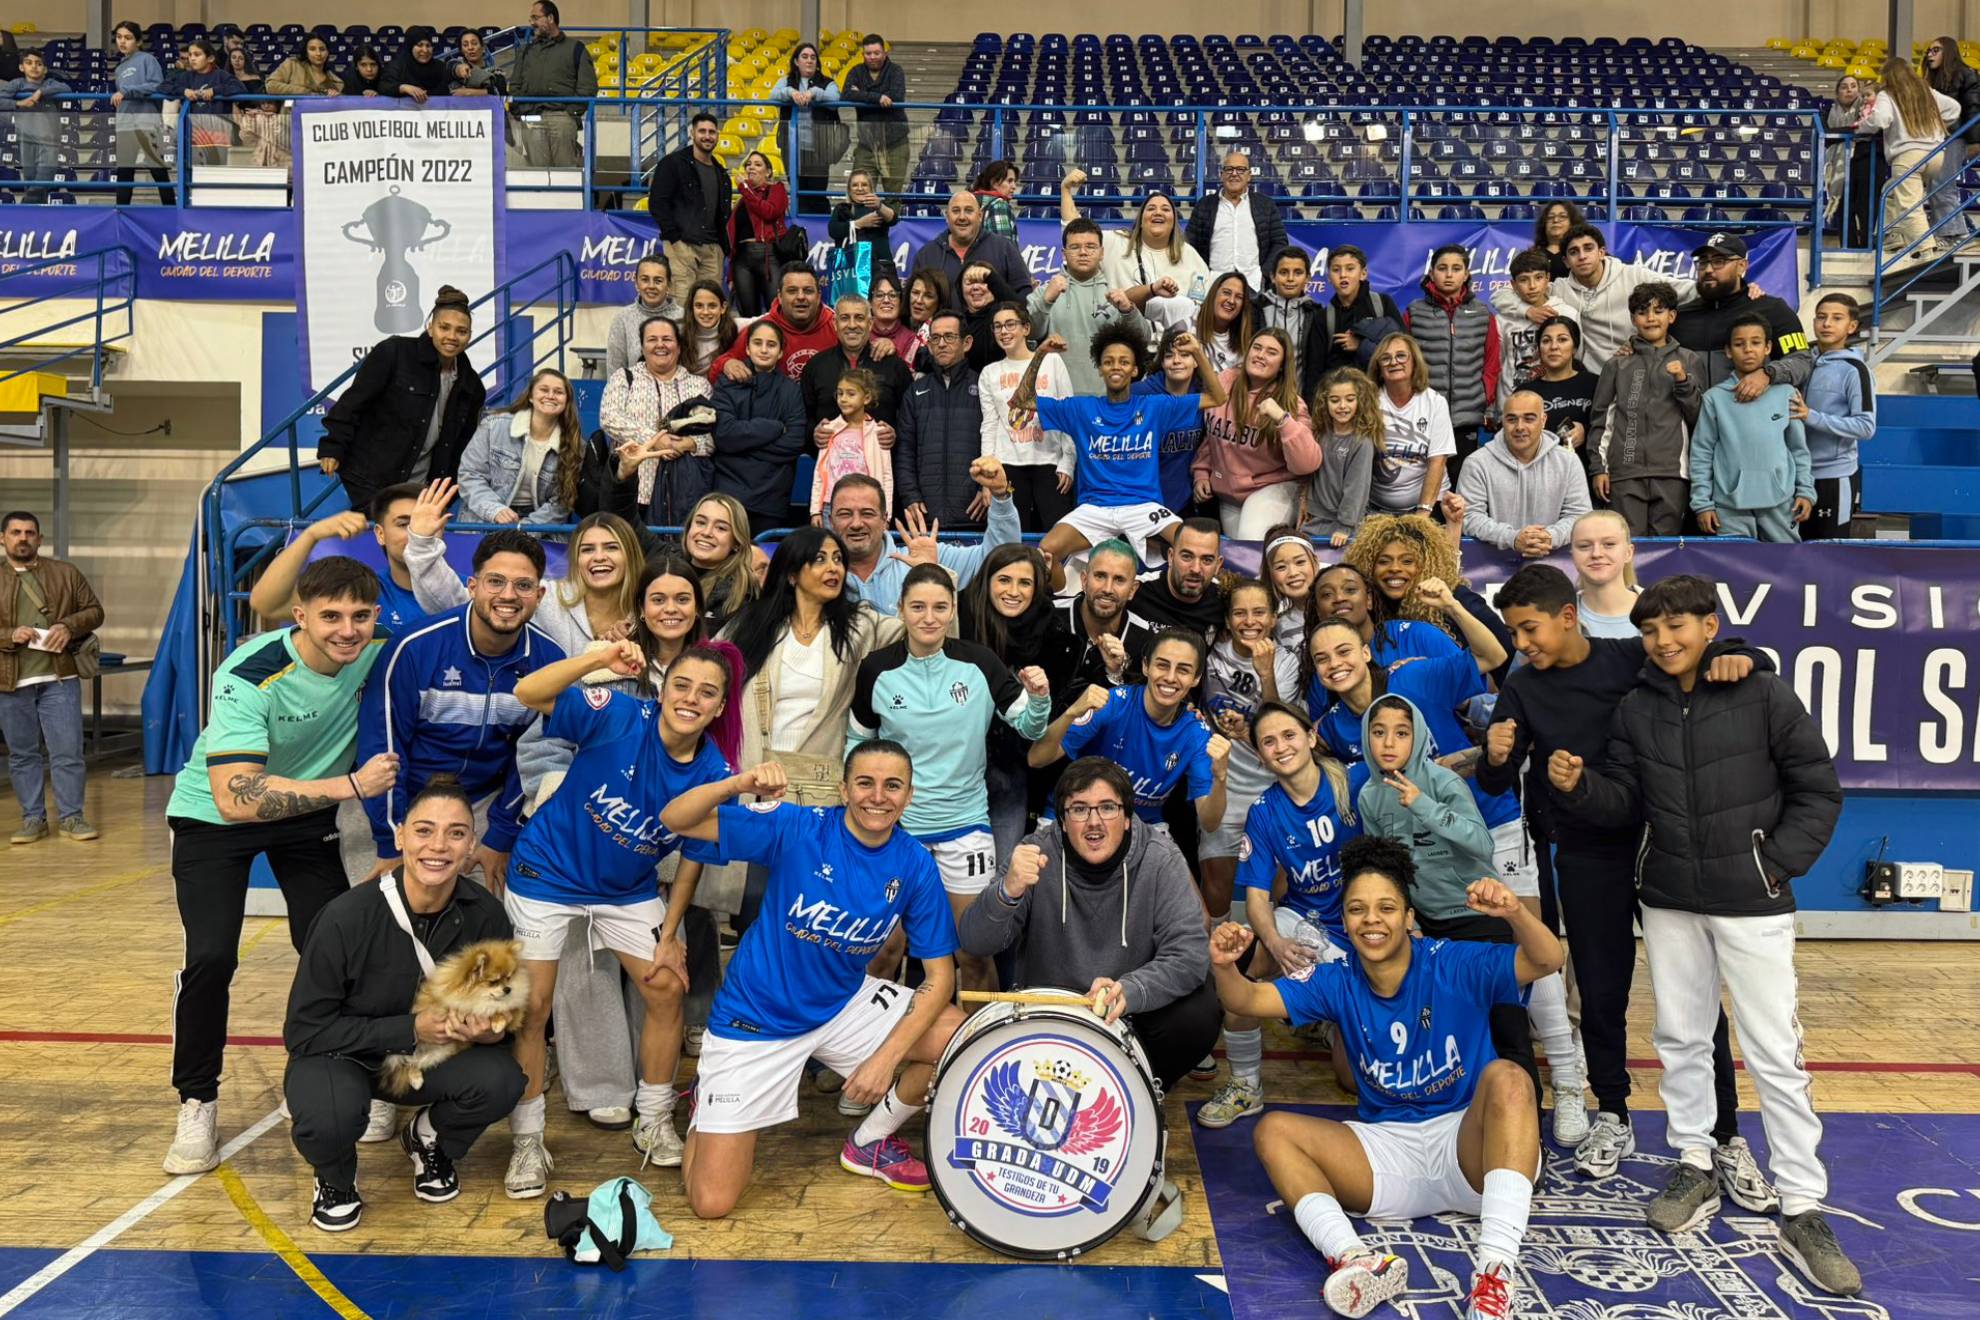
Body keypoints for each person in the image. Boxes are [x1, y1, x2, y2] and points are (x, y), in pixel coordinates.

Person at [1548, 575, 1859, 1297]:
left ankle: (1804, 1204)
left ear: (1711, 626)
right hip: (1669, 899)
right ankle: (1694, 1161)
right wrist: (1579, 785)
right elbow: (1624, 799)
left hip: (1752, 901)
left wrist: (1773, 864)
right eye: (1651, 631)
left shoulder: (1761, 692)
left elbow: (1819, 787)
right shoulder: (1636, 708)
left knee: (1775, 1052)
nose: (1664, 642)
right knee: (1681, 1039)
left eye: (1677, 627)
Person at [1486, 563, 1765, 1180]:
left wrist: (1744, 657)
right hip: (1585, 851)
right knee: (1603, 992)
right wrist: (1496, 754)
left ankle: (1725, 1129)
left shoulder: (1623, 658)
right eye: (1513, 633)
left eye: (1529, 629)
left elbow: (1702, 656)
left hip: (1659, 845)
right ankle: (1612, 1110)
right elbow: (1496, 780)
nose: (1522, 644)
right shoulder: (1523, 686)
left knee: (1692, 993)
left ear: (1567, 616)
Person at [1209, 839, 1563, 1319]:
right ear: (1346, 921)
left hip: (1469, 1146)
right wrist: (1224, 965)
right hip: (1387, 1151)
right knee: (1273, 1131)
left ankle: (1493, 1277)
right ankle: (1357, 1259)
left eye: (1386, 908)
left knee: (1510, 1077)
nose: (1371, 920)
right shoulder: (1337, 977)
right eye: (1357, 909)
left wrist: (1516, 914)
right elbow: (1246, 1002)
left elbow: (1547, 960)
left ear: (1409, 917)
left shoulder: (1452, 961)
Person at [161, 558, 400, 1175]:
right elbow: (235, 796)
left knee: (333, 945)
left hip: (302, 816)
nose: (346, 630)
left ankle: (350, 1076)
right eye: (329, 617)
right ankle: (197, 1099)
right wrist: (348, 784)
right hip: (214, 819)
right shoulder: (250, 671)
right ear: (300, 616)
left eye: (358, 616)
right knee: (212, 955)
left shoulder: (381, 650)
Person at [661, 742, 967, 1214]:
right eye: (865, 783)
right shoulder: (798, 827)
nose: (878, 797)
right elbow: (674, 819)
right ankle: (710, 1104)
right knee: (711, 1203)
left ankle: (869, 1142)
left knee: (957, 1036)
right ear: (844, 789)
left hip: (842, 1003)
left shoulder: (914, 863)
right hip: (756, 1019)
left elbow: (940, 976)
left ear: (909, 796)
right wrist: (738, 785)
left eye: (893, 786)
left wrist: (888, 1058)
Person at [495, 642, 739, 1193]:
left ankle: (652, 1119)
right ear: (663, 688)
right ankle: (529, 1139)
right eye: (682, 685)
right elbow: (528, 692)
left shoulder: (714, 771)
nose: (691, 699)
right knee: (532, 1007)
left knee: (666, 989)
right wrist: (595, 660)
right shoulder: (620, 711)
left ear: (720, 708)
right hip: (546, 875)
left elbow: (693, 862)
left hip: (627, 890)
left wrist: (671, 933)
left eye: (707, 693)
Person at [283, 778, 525, 1232]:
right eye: (424, 830)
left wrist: (490, 1028)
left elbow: (501, 1007)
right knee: (327, 1117)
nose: (438, 846)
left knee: (501, 1078)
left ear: (471, 844)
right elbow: (304, 1032)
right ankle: (334, 1179)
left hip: (425, 1063)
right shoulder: (345, 917)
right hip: (344, 1056)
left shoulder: (486, 914)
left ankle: (429, 1139)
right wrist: (411, 1028)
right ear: (399, 837)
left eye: (455, 833)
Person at [958, 756, 1220, 1089]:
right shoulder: (1033, 852)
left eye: (1107, 807)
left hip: (1127, 1010)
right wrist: (1007, 890)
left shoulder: (1160, 856)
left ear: (1127, 817)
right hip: (1051, 1012)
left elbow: (1189, 954)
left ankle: (1141, 1090)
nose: (1094, 822)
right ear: (1063, 821)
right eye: (1079, 809)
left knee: (1198, 1012)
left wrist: (1133, 989)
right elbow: (974, 942)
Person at [849, 563, 1051, 990]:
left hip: (966, 827)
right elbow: (858, 747)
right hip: (895, 830)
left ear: (952, 609)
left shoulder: (979, 663)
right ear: (900, 609)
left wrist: (1039, 698)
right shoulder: (876, 670)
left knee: (973, 953)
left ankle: (986, 1051)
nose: (929, 617)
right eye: (918, 606)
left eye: (940, 607)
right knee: (885, 950)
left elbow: (1030, 728)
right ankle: (865, 1048)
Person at [356, 529, 561, 883]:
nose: (508, 595)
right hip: (403, 799)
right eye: (495, 582)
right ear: (472, 586)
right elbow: (384, 750)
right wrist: (392, 840)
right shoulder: (415, 648)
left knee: (480, 918)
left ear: (540, 595)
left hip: (483, 803)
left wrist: (500, 835)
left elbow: (535, 759)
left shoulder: (549, 661)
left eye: (524, 586)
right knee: (380, 915)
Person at [1199, 703, 1365, 1126]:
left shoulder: (1353, 780)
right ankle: (1246, 1084)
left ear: (1310, 737)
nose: (1281, 747)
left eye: (1289, 735)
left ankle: (1327, 1022)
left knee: (1352, 1080)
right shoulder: (1263, 811)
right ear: (1259, 756)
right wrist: (1274, 943)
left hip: (1366, 931)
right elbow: (1257, 899)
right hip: (1307, 923)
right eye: (1268, 741)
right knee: (1245, 960)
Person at [1014, 325, 1225, 578]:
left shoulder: (1154, 407)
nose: (1116, 366)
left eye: (1124, 362)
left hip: (1143, 505)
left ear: (1135, 370)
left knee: (1191, 548)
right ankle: (1065, 603)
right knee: (1045, 554)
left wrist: (1198, 353)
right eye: (1109, 362)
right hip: (1095, 508)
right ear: (1100, 368)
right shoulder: (1082, 409)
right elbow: (1022, 401)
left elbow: (1217, 397)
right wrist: (1040, 355)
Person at [1029, 628, 1231, 835]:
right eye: (1162, 665)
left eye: (1183, 670)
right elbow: (1036, 759)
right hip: (1075, 816)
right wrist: (1071, 713)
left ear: (1196, 678)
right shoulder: (1113, 704)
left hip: (1143, 830)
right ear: (1145, 666)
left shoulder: (1196, 732)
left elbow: (1209, 822)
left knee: (1176, 867)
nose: (1170, 677)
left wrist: (1220, 777)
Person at [959, 543, 1082, 868]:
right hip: (953, 771)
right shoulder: (958, 619)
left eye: (1024, 583)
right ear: (987, 581)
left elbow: (1041, 723)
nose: (1013, 591)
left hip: (1012, 773)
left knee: (1003, 873)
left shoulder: (1052, 634)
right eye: (1004, 580)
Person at [319, 288, 486, 515]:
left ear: (469, 335)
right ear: (430, 327)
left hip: (424, 489)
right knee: (378, 541)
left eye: (461, 331)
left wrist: (446, 492)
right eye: (444, 327)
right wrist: (333, 447)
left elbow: (462, 445)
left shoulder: (472, 385)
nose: (452, 337)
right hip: (371, 479)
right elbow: (353, 403)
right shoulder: (394, 352)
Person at [1196, 579, 1301, 937]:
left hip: (1272, 782)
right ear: (1227, 620)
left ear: (1273, 618)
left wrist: (1266, 672)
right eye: (1240, 613)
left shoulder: (1286, 662)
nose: (1249, 620)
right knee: (1216, 876)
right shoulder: (1211, 655)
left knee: (1281, 879)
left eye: (1259, 612)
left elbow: (1279, 720)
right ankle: (1219, 945)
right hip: (1224, 782)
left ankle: (1269, 947)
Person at [0, 511, 100, 843]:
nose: (23, 538)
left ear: (39, 539)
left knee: (68, 751)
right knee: (22, 754)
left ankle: (72, 818)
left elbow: (95, 611)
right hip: (10, 682)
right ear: (3, 539)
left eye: (30, 532)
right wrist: (9, 634)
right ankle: (33, 820)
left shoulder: (65, 573)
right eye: (15, 532)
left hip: (60, 678)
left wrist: (66, 626)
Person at [1587, 282, 1704, 537]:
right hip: (1624, 473)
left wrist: (1683, 382)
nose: (1650, 318)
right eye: (1642, 311)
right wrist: (1599, 468)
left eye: (1659, 311)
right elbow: (1601, 420)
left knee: (1666, 552)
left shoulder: (1689, 360)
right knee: (1628, 547)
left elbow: (1699, 418)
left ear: (1672, 316)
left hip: (1672, 473)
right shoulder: (1617, 364)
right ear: (1632, 318)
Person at [824, 461, 1019, 614]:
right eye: (845, 514)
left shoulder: (924, 557)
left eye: (867, 513)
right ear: (831, 521)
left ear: (885, 520)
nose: (856, 523)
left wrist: (1000, 496)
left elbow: (1000, 560)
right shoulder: (815, 573)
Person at [1689, 316, 1814, 543]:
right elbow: (1701, 453)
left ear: (1767, 347)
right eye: (1739, 344)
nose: (1748, 350)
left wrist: (1805, 491)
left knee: (1786, 569)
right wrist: (1702, 503)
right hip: (1729, 507)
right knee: (1731, 571)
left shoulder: (1787, 393)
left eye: (1756, 343)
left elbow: (1799, 449)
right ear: (1728, 351)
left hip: (1782, 502)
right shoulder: (1714, 399)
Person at [1499, 224, 1696, 367]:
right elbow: (1501, 295)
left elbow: (1685, 290)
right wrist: (1527, 311)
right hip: (1589, 379)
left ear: (1602, 252)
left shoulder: (1634, 276)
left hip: (1633, 368)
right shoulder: (1559, 289)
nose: (1582, 256)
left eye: (1588, 248)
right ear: (1566, 262)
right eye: (1574, 252)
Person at [1340, 514, 1511, 673]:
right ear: (1368, 566)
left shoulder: (1455, 598)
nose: (1395, 568)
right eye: (1383, 561)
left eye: (1407, 561)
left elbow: (1504, 654)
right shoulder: (1367, 609)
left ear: (1426, 565)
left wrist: (1451, 607)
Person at [1194, 328, 1321, 538]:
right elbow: (1213, 435)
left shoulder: (1291, 403)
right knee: (1240, 561)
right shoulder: (1225, 382)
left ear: (1282, 366)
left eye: (1271, 352)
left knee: (1250, 541)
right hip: (1230, 494)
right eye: (1257, 348)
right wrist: (1201, 472)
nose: (1261, 355)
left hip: (1273, 487)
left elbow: (1308, 464)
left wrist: (1282, 420)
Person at [601, 314, 715, 524]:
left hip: (684, 495)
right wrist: (656, 439)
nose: (660, 345)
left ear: (679, 347)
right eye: (652, 340)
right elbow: (609, 418)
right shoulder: (625, 378)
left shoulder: (700, 385)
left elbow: (712, 438)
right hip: (635, 491)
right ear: (642, 347)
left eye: (667, 339)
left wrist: (689, 444)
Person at [1060, 176, 1208, 331]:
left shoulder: (1189, 255)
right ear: (1140, 221)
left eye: (1165, 209)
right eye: (1151, 209)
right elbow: (1074, 230)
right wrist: (1066, 189)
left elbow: (1203, 306)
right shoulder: (1115, 242)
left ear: (1174, 222)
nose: (1158, 213)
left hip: (1172, 347)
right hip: (1121, 338)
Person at [1456, 390, 1592, 556]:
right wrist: (1512, 538)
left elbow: (1580, 515)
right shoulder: (1477, 463)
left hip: (1554, 561)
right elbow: (1470, 517)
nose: (1520, 427)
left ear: (1543, 421)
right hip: (1493, 564)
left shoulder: (1569, 462)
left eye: (1529, 419)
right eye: (1512, 419)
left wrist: (1549, 537)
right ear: (1502, 421)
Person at [1404, 245, 1499, 480]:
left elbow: (1492, 363)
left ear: (1466, 274)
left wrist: (1483, 398)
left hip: (1466, 419)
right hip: (1424, 417)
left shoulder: (1482, 314)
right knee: (1423, 484)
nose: (1449, 274)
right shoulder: (1413, 313)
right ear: (1432, 273)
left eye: (1456, 269)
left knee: (1461, 489)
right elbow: (1406, 362)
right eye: (1442, 268)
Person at [978, 302, 1075, 532]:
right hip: (1008, 466)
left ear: (1026, 328)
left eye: (1010, 324)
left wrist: (1068, 462)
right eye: (998, 326)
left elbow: (1067, 413)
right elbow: (989, 425)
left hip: (1050, 463)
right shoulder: (990, 373)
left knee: (1056, 538)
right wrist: (987, 474)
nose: (1004, 331)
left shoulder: (1051, 361)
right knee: (1013, 540)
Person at [1028, 218, 1154, 396]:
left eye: (1090, 246)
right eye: (1075, 247)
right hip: (1054, 400)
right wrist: (1046, 301)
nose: (1083, 252)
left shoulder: (1116, 296)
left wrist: (1128, 311)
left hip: (1104, 400)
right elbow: (1029, 333)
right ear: (1064, 254)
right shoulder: (1046, 291)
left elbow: (1143, 340)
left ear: (1101, 253)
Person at [1670, 234, 1809, 387]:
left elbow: (1802, 361)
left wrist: (1769, 374)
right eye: (1703, 262)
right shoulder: (1680, 316)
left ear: (1742, 266)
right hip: (1691, 410)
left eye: (1718, 262)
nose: (1708, 269)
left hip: (1751, 408)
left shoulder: (1773, 310)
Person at [712, 320, 809, 533]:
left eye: (771, 344)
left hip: (770, 498)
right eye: (757, 343)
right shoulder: (726, 383)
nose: (764, 350)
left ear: (781, 352)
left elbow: (794, 442)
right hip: (727, 493)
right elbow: (724, 435)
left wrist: (742, 445)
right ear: (747, 348)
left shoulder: (791, 390)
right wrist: (774, 428)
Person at [1858, 57, 1961, 253]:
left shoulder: (1887, 94)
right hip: (1936, 155)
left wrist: (1862, 128)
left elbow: (1880, 119)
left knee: (1909, 205)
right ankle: (1893, 234)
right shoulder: (1925, 91)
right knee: (1890, 191)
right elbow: (1954, 109)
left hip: (1908, 156)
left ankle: (1926, 249)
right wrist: (1938, 125)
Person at [894, 311, 987, 527]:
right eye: (935, 338)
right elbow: (905, 450)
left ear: (967, 343)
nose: (942, 344)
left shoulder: (984, 386)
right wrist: (910, 496)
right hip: (925, 519)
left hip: (974, 515)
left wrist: (987, 488)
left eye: (949, 337)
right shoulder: (915, 391)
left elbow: (997, 444)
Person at [457, 369, 582, 527]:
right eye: (544, 390)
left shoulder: (574, 445)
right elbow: (470, 475)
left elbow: (562, 502)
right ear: (530, 396)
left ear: (566, 401)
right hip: (485, 517)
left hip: (537, 523)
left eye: (558, 392)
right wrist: (495, 510)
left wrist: (527, 527)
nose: (550, 395)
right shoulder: (493, 426)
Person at [1799, 293, 1877, 540]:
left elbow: (1866, 426)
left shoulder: (1855, 370)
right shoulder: (1802, 363)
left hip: (1834, 477)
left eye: (1836, 318)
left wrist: (1811, 416)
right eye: (1821, 317)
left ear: (1852, 326)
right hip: (1797, 478)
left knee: (1828, 554)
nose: (1827, 324)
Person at [644, 109, 733, 292]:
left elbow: (722, 215)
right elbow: (657, 204)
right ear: (692, 134)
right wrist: (676, 242)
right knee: (682, 306)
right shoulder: (672, 163)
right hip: (682, 247)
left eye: (711, 132)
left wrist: (721, 249)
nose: (707, 136)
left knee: (709, 308)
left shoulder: (721, 173)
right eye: (702, 131)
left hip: (712, 251)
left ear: (717, 135)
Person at [1367, 333, 1455, 517]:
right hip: (1376, 509)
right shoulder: (1368, 402)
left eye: (1401, 355)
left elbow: (1437, 462)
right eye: (1385, 358)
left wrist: (1422, 513)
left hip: (1429, 507)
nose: (1393, 362)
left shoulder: (1435, 402)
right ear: (1378, 367)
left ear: (1414, 361)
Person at [1134, 324, 1215, 516]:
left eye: (1185, 355)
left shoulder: (1204, 394)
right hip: (1142, 496)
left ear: (1197, 361)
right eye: (1169, 356)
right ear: (1162, 362)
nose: (1176, 361)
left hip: (1184, 497)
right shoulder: (1140, 393)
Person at [1053, 539, 1155, 690]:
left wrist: (1115, 674)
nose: (1107, 588)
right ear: (1084, 580)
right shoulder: (1049, 615)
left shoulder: (1144, 638)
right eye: (1100, 576)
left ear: (1132, 590)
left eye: (1119, 580)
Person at [712, 263, 840, 383]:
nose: (801, 297)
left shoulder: (837, 325)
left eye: (808, 291)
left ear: (818, 296)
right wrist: (727, 364)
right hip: (776, 405)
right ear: (779, 296)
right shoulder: (763, 328)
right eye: (792, 291)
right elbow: (715, 370)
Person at [799, 295, 912, 431]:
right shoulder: (815, 366)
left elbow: (910, 418)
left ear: (870, 324)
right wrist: (814, 435)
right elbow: (804, 418)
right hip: (829, 450)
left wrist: (895, 436)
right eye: (845, 318)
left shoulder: (894, 366)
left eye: (859, 318)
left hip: (880, 451)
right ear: (835, 323)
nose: (852, 325)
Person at [907, 190, 1035, 305]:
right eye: (956, 211)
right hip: (942, 330)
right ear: (947, 216)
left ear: (980, 216)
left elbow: (1024, 297)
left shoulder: (1004, 248)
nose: (962, 217)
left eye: (969, 210)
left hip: (994, 330)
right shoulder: (926, 255)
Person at [1185, 150, 1287, 291]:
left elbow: (1280, 243)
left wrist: (1263, 274)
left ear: (1249, 176)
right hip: (1213, 284)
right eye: (1229, 169)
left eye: (1240, 169)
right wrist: (1203, 274)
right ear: (1222, 175)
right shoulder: (1204, 205)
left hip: (1254, 285)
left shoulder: (1266, 205)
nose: (1234, 173)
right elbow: (1190, 245)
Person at [510, 1, 595, 167]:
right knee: (538, 177)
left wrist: (570, 113)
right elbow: (515, 85)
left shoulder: (576, 48)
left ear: (550, 18)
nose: (531, 23)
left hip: (562, 118)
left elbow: (588, 87)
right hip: (531, 118)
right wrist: (521, 110)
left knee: (566, 175)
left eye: (535, 17)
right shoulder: (525, 51)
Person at [1517, 317, 1599, 488]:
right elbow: (1512, 438)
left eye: (1562, 339)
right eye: (1546, 341)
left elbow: (1614, 428)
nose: (1554, 346)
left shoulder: (1596, 384)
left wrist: (1586, 431)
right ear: (1539, 348)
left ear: (1575, 347)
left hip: (1588, 479)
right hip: (1538, 482)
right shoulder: (1524, 393)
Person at [1306, 367, 1379, 546]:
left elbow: (1357, 487)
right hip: (1313, 520)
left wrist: (1345, 526)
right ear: (1325, 402)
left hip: (1342, 526)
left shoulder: (1362, 442)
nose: (1342, 406)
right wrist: (1303, 499)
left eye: (1350, 399)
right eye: (1335, 400)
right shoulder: (1319, 432)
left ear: (1359, 401)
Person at [1313, 244, 1405, 379]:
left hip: (1379, 391)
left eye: (1350, 269)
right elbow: (1314, 370)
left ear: (1363, 273)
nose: (1343, 275)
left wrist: (1361, 345)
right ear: (1328, 277)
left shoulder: (1382, 303)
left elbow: (1403, 346)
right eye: (1336, 270)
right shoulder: (1323, 317)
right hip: (1339, 395)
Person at [1498, 249, 1576, 405]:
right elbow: (1499, 364)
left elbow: (1576, 358)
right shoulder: (1502, 320)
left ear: (1548, 279)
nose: (1532, 286)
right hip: (1513, 402)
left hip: (1557, 401)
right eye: (1524, 280)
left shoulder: (1567, 313)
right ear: (1513, 285)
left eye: (1538, 278)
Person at [811, 369, 891, 521]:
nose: (843, 399)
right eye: (840, 393)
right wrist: (815, 510)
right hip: (831, 505)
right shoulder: (828, 430)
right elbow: (819, 473)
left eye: (850, 393)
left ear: (866, 398)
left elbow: (886, 476)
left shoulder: (878, 432)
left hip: (867, 505)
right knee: (834, 545)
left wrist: (886, 515)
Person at [1127, 517, 1228, 638]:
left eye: (1207, 560)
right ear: (1171, 557)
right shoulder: (1137, 590)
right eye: (1187, 556)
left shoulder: (1225, 599)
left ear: (1218, 565)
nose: (1196, 569)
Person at [770, 41, 844, 204]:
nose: (809, 60)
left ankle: (817, 228)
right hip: (791, 147)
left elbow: (836, 98)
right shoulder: (786, 81)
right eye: (804, 57)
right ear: (796, 61)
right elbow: (772, 96)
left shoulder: (827, 82)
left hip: (819, 149)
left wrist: (814, 93)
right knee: (797, 193)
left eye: (813, 57)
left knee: (817, 194)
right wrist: (790, 92)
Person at [1922, 36, 1980, 243]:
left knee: (1942, 186)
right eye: (1929, 50)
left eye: (1936, 50)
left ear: (1948, 52)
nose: (1930, 54)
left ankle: (1955, 233)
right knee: (1936, 186)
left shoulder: (1966, 74)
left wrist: (1975, 141)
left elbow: (1973, 109)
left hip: (1956, 136)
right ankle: (1950, 232)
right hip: (1936, 137)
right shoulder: (1931, 79)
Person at [110, 21, 174, 205]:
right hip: (124, 124)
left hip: (147, 123)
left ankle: (171, 211)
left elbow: (156, 85)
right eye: (119, 37)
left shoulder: (147, 59)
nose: (122, 41)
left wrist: (127, 91)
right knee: (124, 173)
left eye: (128, 38)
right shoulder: (120, 68)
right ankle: (121, 213)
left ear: (138, 41)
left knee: (158, 171)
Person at [839, 34, 910, 196]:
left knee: (892, 197)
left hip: (895, 145)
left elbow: (896, 96)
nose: (872, 57)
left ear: (884, 53)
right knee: (859, 193)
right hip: (866, 146)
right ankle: (861, 222)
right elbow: (846, 95)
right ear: (863, 55)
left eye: (876, 53)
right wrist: (878, 98)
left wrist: (862, 95)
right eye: (868, 53)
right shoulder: (856, 71)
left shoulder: (896, 71)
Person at [677, 494, 762, 625]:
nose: (706, 532)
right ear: (688, 528)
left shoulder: (741, 594)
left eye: (721, 528)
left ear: (736, 542)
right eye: (700, 522)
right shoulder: (667, 561)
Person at [0, 51, 74, 199]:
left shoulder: (50, 83)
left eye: (39, 64)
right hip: (26, 138)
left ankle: (26, 206)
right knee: (30, 178)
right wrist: (19, 103)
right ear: (21, 67)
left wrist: (40, 92)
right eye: (29, 63)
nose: (34, 67)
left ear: (45, 69)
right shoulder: (17, 84)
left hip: (49, 140)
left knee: (42, 179)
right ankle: (34, 214)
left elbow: (67, 89)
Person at [164, 39, 246, 167]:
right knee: (194, 174)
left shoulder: (221, 75)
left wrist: (215, 90)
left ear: (210, 58)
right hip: (194, 134)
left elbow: (240, 88)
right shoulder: (186, 76)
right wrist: (183, 91)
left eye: (197, 55)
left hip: (218, 134)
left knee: (217, 173)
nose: (192, 58)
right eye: (190, 55)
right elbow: (163, 87)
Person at [1253, 246, 1323, 395]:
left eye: (1298, 273)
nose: (1290, 278)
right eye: (1284, 272)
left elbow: (1315, 367)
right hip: (1255, 401)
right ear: (1273, 276)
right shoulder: (1254, 308)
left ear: (1308, 278)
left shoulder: (1316, 314)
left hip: (1297, 402)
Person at [729, 152, 790, 320]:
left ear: (768, 172)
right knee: (747, 315)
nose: (751, 167)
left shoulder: (776, 189)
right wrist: (731, 274)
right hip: (741, 258)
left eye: (757, 164)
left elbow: (769, 212)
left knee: (775, 312)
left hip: (767, 255)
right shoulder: (742, 200)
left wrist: (744, 188)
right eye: (748, 164)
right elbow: (734, 237)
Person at [605, 255, 682, 381]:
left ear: (668, 285)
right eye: (645, 280)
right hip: (634, 397)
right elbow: (615, 373)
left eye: (658, 281)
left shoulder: (683, 318)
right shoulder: (622, 319)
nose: (651, 286)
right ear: (636, 283)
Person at [827, 167, 901, 285]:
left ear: (871, 188)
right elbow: (833, 230)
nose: (860, 188)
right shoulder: (842, 209)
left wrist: (879, 206)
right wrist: (859, 223)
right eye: (855, 185)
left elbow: (893, 219)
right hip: (851, 270)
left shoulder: (879, 208)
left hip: (881, 268)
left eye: (864, 185)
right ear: (849, 190)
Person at [1260, 527, 1319, 649]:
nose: (1293, 573)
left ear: (1315, 562)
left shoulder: (1337, 608)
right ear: (1271, 574)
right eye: (1281, 567)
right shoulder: (1278, 627)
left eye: (1300, 562)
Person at [1196, 272, 1256, 374]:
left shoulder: (1243, 345)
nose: (1231, 301)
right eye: (1226, 292)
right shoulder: (1188, 312)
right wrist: (1158, 289)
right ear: (1213, 294)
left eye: (1239, 297)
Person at [680, 280, 739, 379]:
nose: (706, 312)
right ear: (692, 307)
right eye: (699, 306)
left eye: (712, 306)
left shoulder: (734, 326)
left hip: (718, 389)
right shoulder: (679, 331)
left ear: (723, 308)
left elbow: (769, 317)